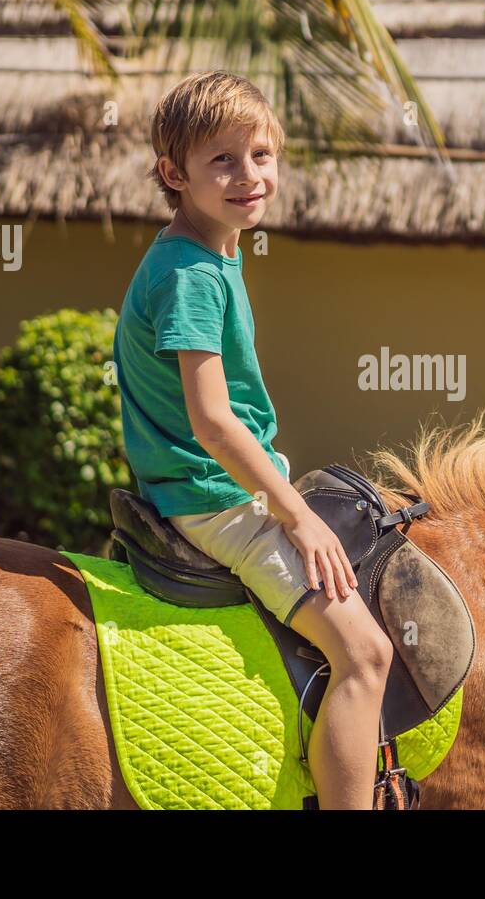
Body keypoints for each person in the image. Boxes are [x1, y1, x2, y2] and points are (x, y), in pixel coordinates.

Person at [113, 71, 393, 809]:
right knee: (366, 654)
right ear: (174, 173)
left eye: (262, 156)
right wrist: (294, 515)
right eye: (224, 161)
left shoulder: (207, 251)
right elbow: (212, 422)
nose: (249, 176)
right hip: (218, 501)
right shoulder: (192, 276)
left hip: (225, 486)